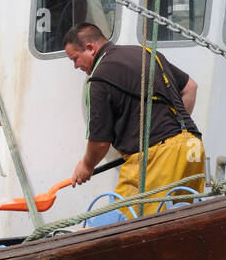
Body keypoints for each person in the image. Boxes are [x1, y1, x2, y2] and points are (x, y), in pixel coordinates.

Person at [63, 22, 205, 216]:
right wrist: (174, 134)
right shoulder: (146, 53)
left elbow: (100, 142)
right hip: (192, 148)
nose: (76, 66)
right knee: (183, 222)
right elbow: (190, 87)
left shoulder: (98, 79)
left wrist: (86, 166)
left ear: (90, 48)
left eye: (75, 59)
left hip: (157, 157)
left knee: (127, 227)